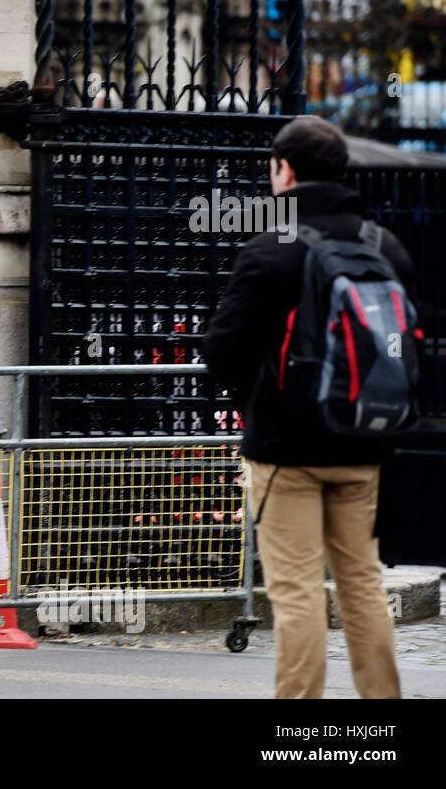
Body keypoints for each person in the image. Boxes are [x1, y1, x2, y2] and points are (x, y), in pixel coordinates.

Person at [205, 116, 414, 699]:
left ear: (285, 171)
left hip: (284, 450)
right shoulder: (385, 247)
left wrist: (262, 401)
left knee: (296, 592)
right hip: (364, 443)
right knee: (363, 586)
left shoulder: (269, 248)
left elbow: (222, 346)